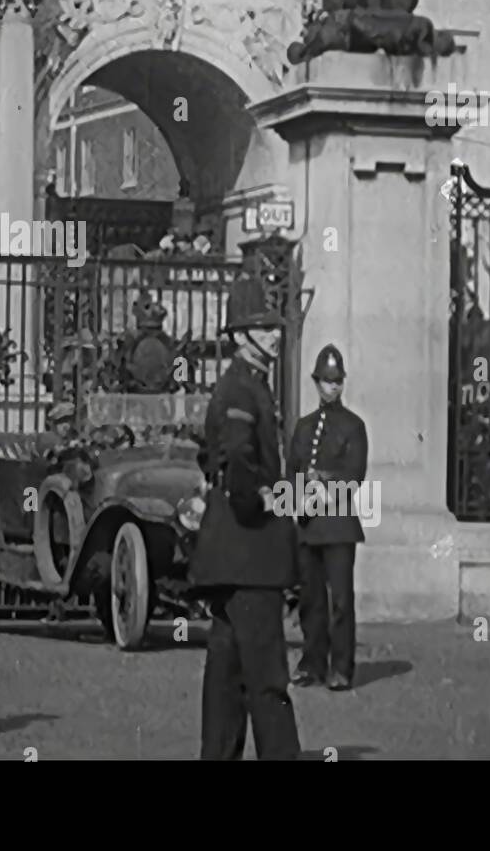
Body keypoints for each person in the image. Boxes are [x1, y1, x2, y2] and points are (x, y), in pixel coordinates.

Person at [188, 277, 301, 761]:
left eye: (274, 326)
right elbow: (237, 460)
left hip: (230, 557)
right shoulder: (241, 388)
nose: (274, 335)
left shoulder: (247, 384)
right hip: (251, 552)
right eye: (261, 327)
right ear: (240, 336)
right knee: (267, 680)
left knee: (227, 679)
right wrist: (261, 503)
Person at [288, 344, 368, 691]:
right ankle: (312, 664)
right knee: (310, 600)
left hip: (338, 525)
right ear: (315, 382)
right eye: (326, 381)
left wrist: (323, 488)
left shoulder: (354, 426)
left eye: (337, 382)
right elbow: (290, 470)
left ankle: (342, 668)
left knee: (340, 600)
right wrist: (294, 503)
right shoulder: (303, 427)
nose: (332, 387)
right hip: (308, 525)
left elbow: (354, 474)